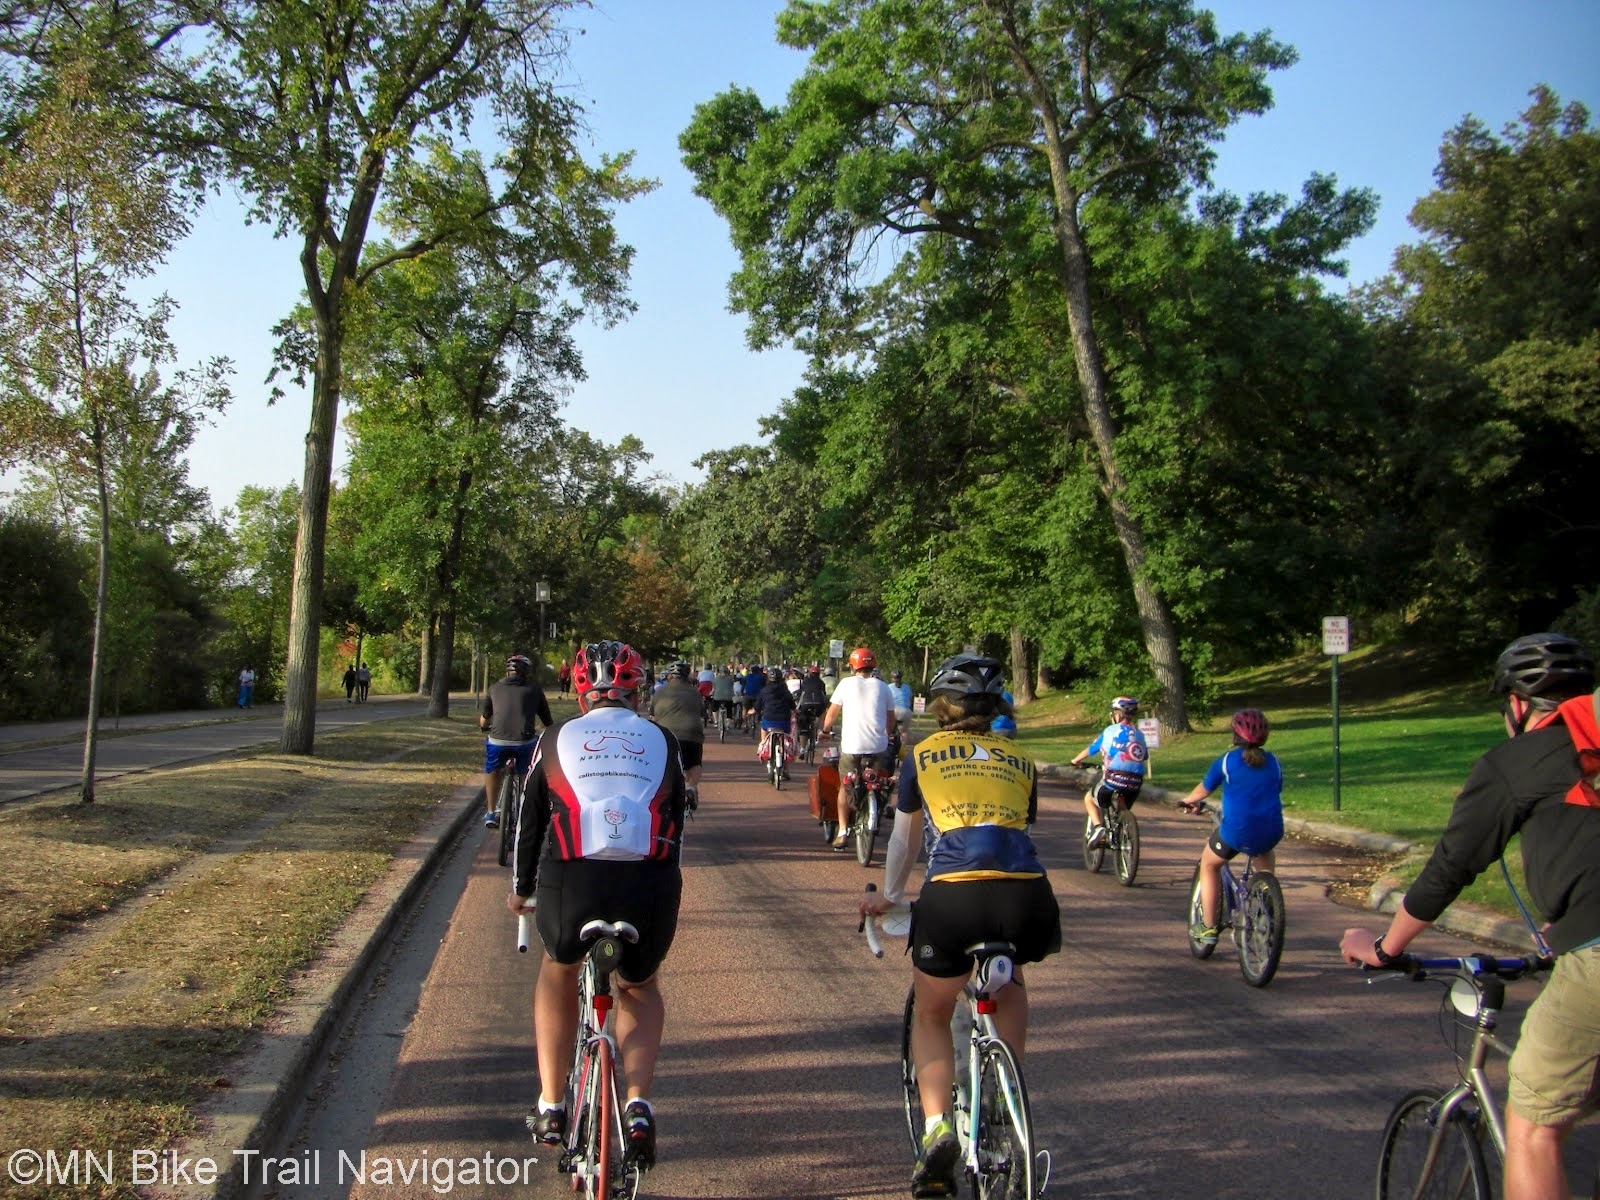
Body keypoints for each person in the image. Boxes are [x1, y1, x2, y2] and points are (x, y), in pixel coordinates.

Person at [1339, 633, 1599, 1200]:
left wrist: (1385, 947)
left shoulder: (1519, 760)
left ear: (1517, 704)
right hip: (1584, 933)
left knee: (1533, 1129)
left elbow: (1450, 867)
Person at [859, 654, 1060, 1200]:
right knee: (1009, 982)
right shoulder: (1021, 759)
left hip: (954, 897)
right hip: (1027, 896)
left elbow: (905, 841)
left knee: (932, 1010)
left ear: (941, 707)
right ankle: (1009, 1096)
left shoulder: (921, 756)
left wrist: (889, 897)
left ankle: (937, 1130)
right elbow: (1018, 828)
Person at [507, 640, 688, 1173]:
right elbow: (677, 820)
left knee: (558, 970)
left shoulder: (556, 737)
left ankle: (551, 1105)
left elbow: (530, 820)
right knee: (639, 985)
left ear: (582, 689)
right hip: (649, 881)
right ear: (637, 689)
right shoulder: (662, 739)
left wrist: (521, 888)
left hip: (575, 878)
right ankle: (636, 1105)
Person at [1178, 708, 1284, 945]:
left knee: (1209, 864)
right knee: (1264, 861)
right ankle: (1264, 911)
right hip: (1271, 830)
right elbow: (1275, 790)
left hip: (1237, 832)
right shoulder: (1274, 763)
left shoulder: (1226, 762)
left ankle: (1208, 928)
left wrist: (1188, 802)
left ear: (1234, 736)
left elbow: (1203, 790)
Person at [822, 646, 897, 852]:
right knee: (878, 779)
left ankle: (843, 832)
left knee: (845, 786)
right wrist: (888, 733)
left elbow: (832, 713)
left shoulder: (845, 684)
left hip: (852, 746)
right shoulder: (884, 687)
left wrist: (825, 730)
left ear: (853, 665)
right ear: (873, 665)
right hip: (878, 746)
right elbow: (890, 718)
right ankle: (876, 808)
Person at [479, 653, 553, 828]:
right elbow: (547, 720)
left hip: (497, 741)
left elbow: (484, 719)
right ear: (526, 673)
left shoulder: (494, 688)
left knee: (492, 768)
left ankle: (490, 812)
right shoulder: (534, 690)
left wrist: (484, 727)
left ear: (507, 672)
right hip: (524, 742)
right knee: (526, 773)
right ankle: (524, 810)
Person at [1069, 696, 1147, 848]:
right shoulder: (1140, 734)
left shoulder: (1110, 731)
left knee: (1089, 799)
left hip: (1113, 778)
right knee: (1122, 806)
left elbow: (1091, 749)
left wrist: (1075, 761)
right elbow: (1143, 756)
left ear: (1117, 715)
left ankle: (1099, 828)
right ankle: (1124, 829)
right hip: (1136, 782)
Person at [649, 662, 707, 801]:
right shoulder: (695, 692)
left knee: (665, 763)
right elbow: (702, 713)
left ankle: (666, 790)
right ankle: (692, 787)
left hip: (667, 736)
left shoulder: (660, 692)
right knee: (694, 763)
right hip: (691, 734)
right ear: (687, 676)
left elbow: (653, 716)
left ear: (669, 676)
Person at [755, 665, 796, 777]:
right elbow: (792, 705)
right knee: (786, 740)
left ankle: (763, 744)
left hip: (769, 720)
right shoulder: (785, 691)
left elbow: (758, 706)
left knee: (763, 728)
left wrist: (756, 711)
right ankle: (786, 768)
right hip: (784, 721)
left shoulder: (764, 691)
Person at [795, 665, 829, 746]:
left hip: (806, 705)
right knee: (822, 714)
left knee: (803, 724)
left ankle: (802, 748)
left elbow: (800, 693)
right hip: (818, 705)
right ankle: (820, 730)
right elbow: (823, 695)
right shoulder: (821, 683)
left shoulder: (805, 682)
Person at [887, 669, 914, 736]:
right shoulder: (907, 687)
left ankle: (889, 743)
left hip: (894, 710)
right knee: (904, 732)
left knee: (888, 730)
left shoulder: (889, 687)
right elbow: (910, 699)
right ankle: (903, 745)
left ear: (892, 678)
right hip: (906, 711)